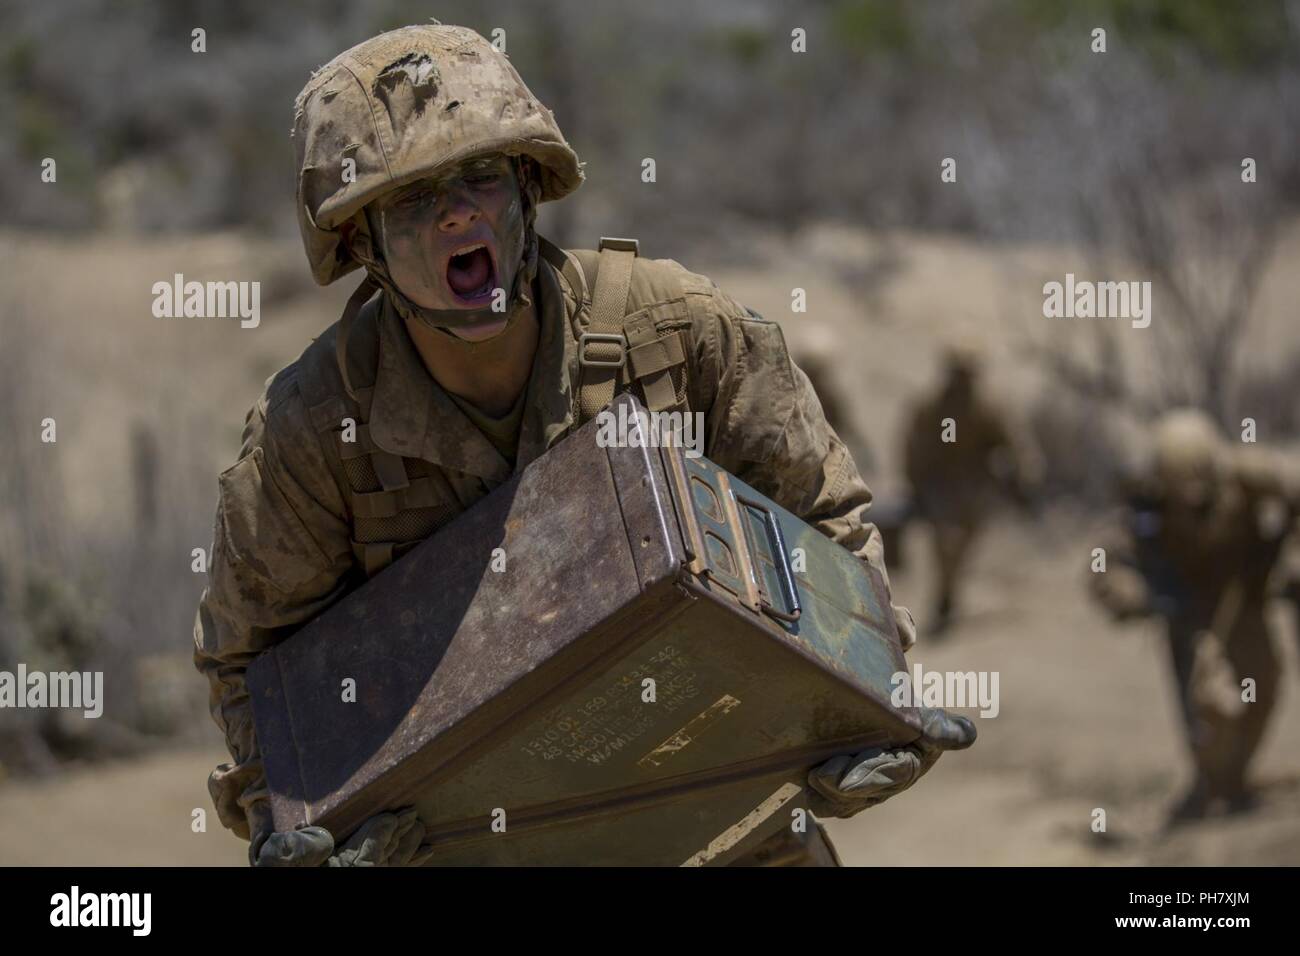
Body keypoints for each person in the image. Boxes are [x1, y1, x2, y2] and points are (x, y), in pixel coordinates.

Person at [193, 24, 974, 867]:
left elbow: (825, 526)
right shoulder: (313, 436)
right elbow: (255, 668)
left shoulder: (678, 333)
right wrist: (297, 819)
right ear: (361, 246)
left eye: (480, 177)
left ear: (527, 187)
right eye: (414, 201)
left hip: (728, 823)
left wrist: (861, 700)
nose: (458, 210)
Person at [1090, 409, 1299, 824]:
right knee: (1209, 705)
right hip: (1188, 613)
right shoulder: (1148, 506)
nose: (1189, 505)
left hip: (1246, 602)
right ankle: (1212, 783)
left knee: (1263, 690)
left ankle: (1232, 780)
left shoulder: (1251, 477)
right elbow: (1104, 563)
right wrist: (1132, 593)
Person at [902, 341, 1038, 632]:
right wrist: (915, 482)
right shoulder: (931, 406)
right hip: (941, 486)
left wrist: (1022, 476)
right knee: (945, 543)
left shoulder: (988, 406)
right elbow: (915, 445)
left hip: (974, 487)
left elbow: (1012, 441)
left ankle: (949, 591)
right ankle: (945, 596)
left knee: (963, 546)